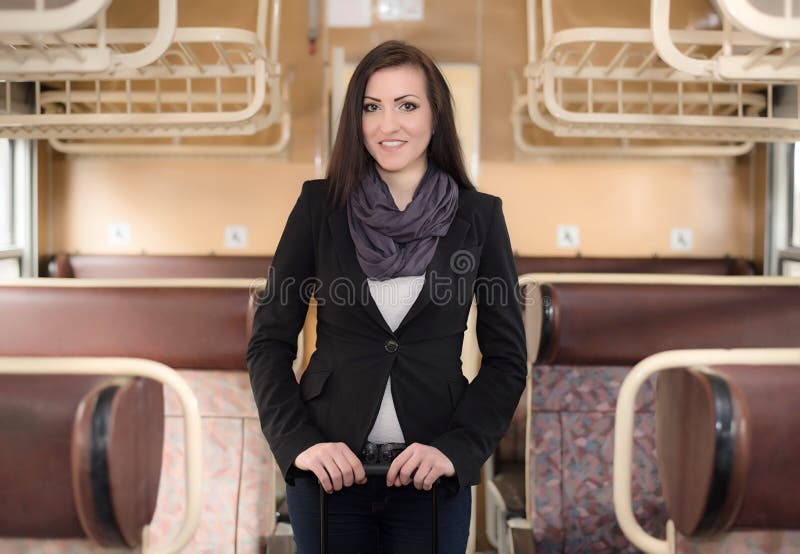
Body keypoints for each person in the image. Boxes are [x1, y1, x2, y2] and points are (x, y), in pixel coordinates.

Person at [247, 40, 526, 554]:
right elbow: (268, 343)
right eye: (371, 107)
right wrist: (298, 445)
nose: (386, 124)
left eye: (407, 105)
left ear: (435, 115)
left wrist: (458, 449)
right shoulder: (318, 207)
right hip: (329, 475)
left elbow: (507, 359)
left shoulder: (480, 217)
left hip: (432, 475)